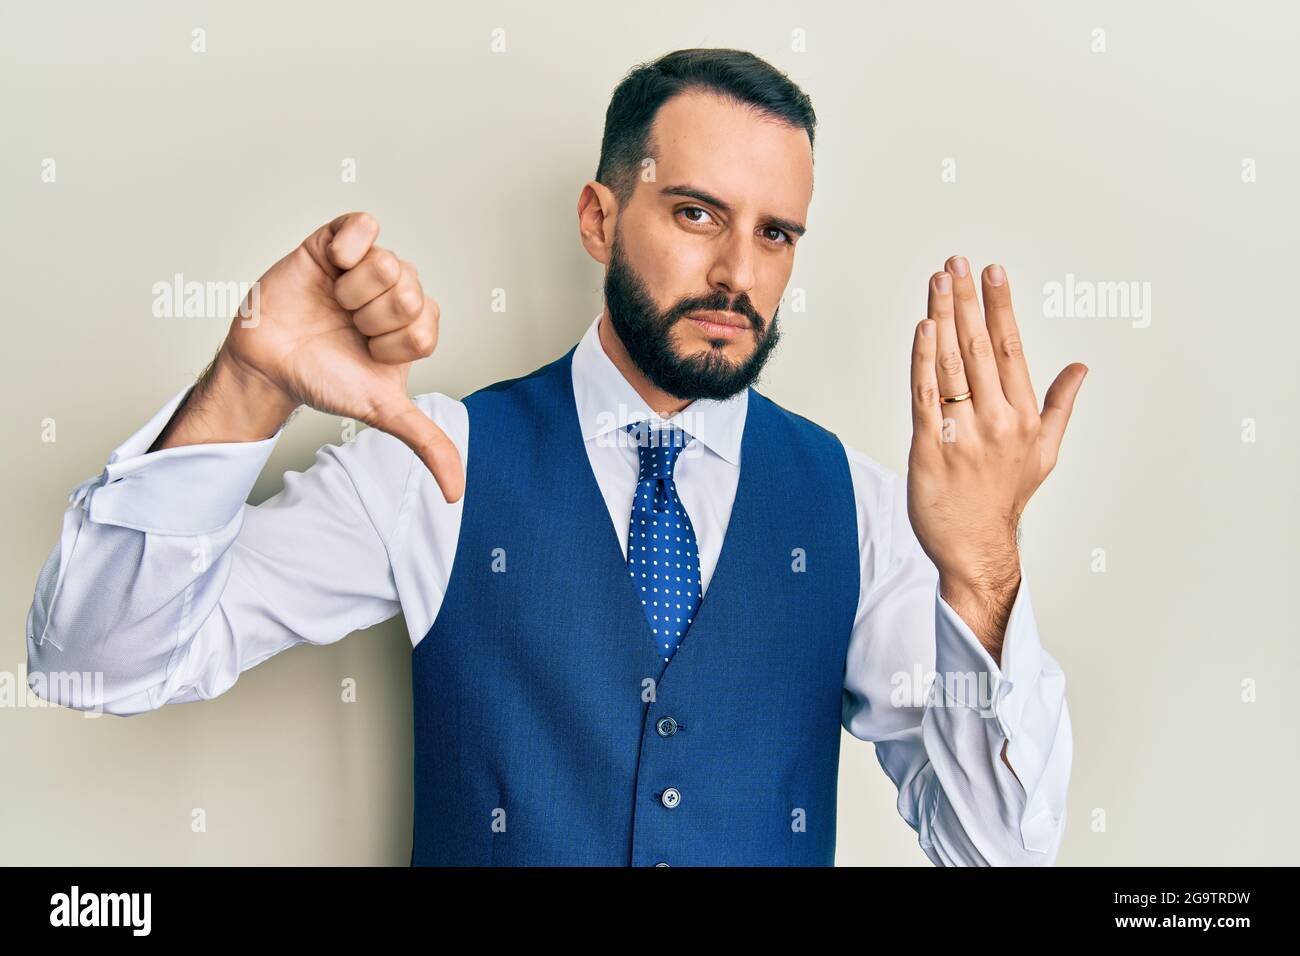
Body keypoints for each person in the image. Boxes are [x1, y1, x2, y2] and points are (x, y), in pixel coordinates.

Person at [25, 48, 1082, 866]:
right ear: (598, 216)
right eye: (696, 213)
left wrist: (981, 569)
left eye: (774, 235)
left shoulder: (854, 509)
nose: (734, 272)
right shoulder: (435, 462)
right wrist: (250, 381)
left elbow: (996, 846)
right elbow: (100, 661)